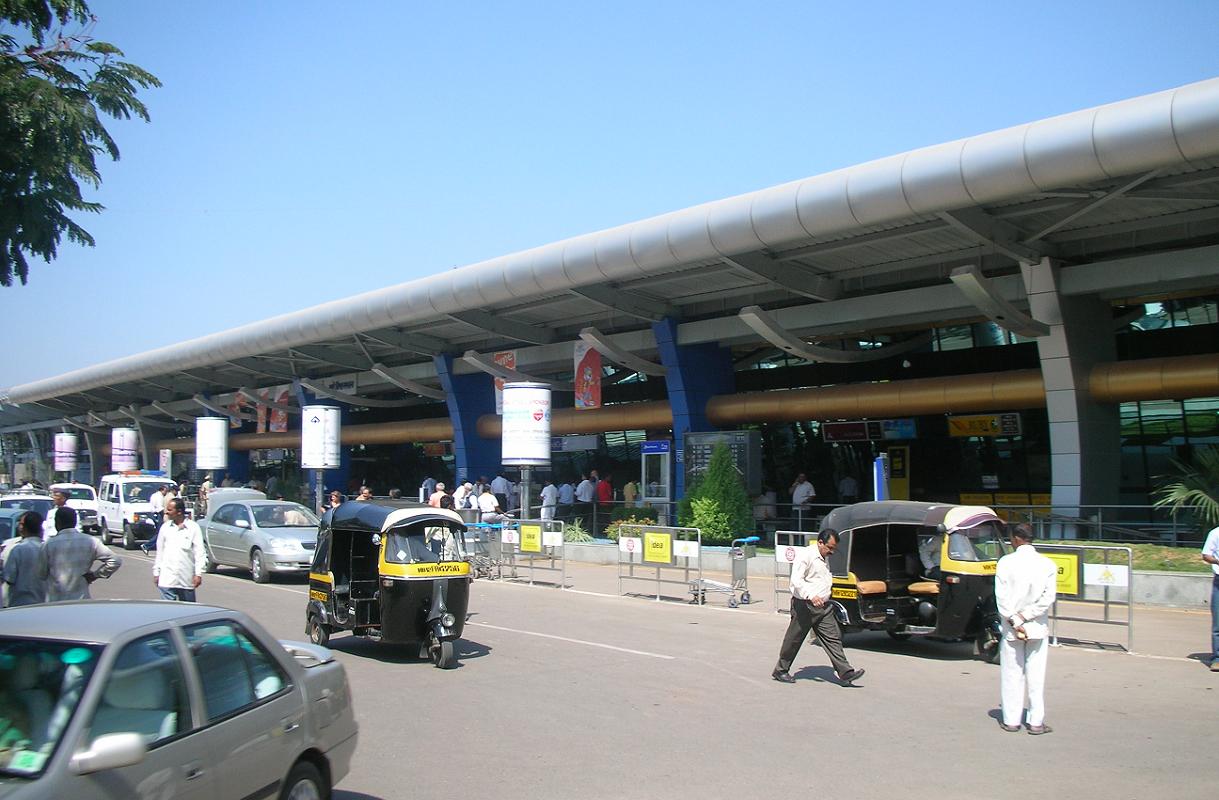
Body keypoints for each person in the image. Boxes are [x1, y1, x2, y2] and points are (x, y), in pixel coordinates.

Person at [772, 529, 865, 686]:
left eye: (834, 548)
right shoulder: (806, 555)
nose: (832, 551)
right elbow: (796, 580)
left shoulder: (824, 556)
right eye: (830, 547)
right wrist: (810, 595)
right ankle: (781, 670)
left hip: (823, 606)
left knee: (833, 637)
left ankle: (845, 672)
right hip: (805, 605)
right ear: (820, 542)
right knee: (794, 638)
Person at [994, 522, 1057, 734]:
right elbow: (1048, 598)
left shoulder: (1005, 562)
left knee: (1012, 674)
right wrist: (1026, 616)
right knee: (1036, 675)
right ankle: (1036, 721)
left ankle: (1011, 720)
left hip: (1012, 629)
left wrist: (1015, 619)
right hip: (1036, 627)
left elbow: (1001, 599)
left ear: (1016, 539)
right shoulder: (1047, 564)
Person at [43, 507, 121, 602]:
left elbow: (40, 574)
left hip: (55, 601)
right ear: (75, 522)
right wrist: (95, 575)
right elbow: (115, 560)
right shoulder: (91, 541)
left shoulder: (49, 544)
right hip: (81, 600)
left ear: (57, 522)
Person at [152, 498, 206, 602]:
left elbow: (200, 552)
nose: (166, 512)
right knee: (168, 612)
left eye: (170, 510)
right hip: (167, 578)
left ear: (179, 512)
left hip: (186, 579)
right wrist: (156, 572)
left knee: (188, 612)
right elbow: (160, 553)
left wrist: (198, 574)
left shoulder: (193, 528)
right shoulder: (165, 528)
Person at [3, 512, 47, 607]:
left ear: (24, 528)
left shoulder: (17, 549)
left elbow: (9, 578)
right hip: (43, 604)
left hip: (20, 604)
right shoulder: (47, 548)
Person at [1203, 522, 1219, 672]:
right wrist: (1217, 561)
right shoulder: (1216, 533)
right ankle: (1217, 658)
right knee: (1218, 624)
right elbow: (1206, 555)